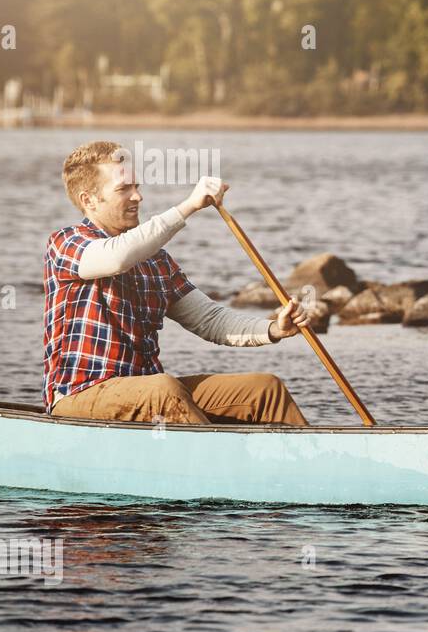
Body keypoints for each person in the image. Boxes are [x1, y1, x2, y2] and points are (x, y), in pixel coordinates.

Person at [43, 140, 310, 425]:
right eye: (124, 189)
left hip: (146, 389)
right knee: (164, 389)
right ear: (88, 200)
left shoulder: (156, 260)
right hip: (79, 395)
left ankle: (310, 464)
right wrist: (189, 206)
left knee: (265, 389)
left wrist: (273, 329)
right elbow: (116, 258)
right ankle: (223, 464)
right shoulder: (66, 243)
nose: (137, 197)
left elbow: (210, 320)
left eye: (137, 187)